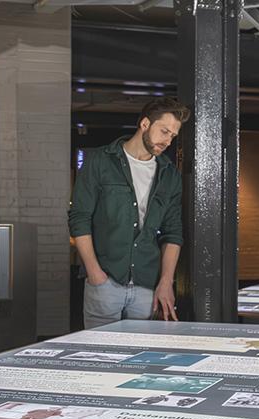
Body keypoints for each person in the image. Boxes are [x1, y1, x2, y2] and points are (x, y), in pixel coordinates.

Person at [69, 98, 190, 329]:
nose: (167, 141)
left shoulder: (169, 175)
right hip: (105, 281)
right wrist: (95, 273)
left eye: (173, 136)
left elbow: (173, 232)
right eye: (164, 131)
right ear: (145, 124)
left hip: (146, 286)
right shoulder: (100, 162)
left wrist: (166, 282)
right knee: (101, 350)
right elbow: (79, 219)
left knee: (141, 351)